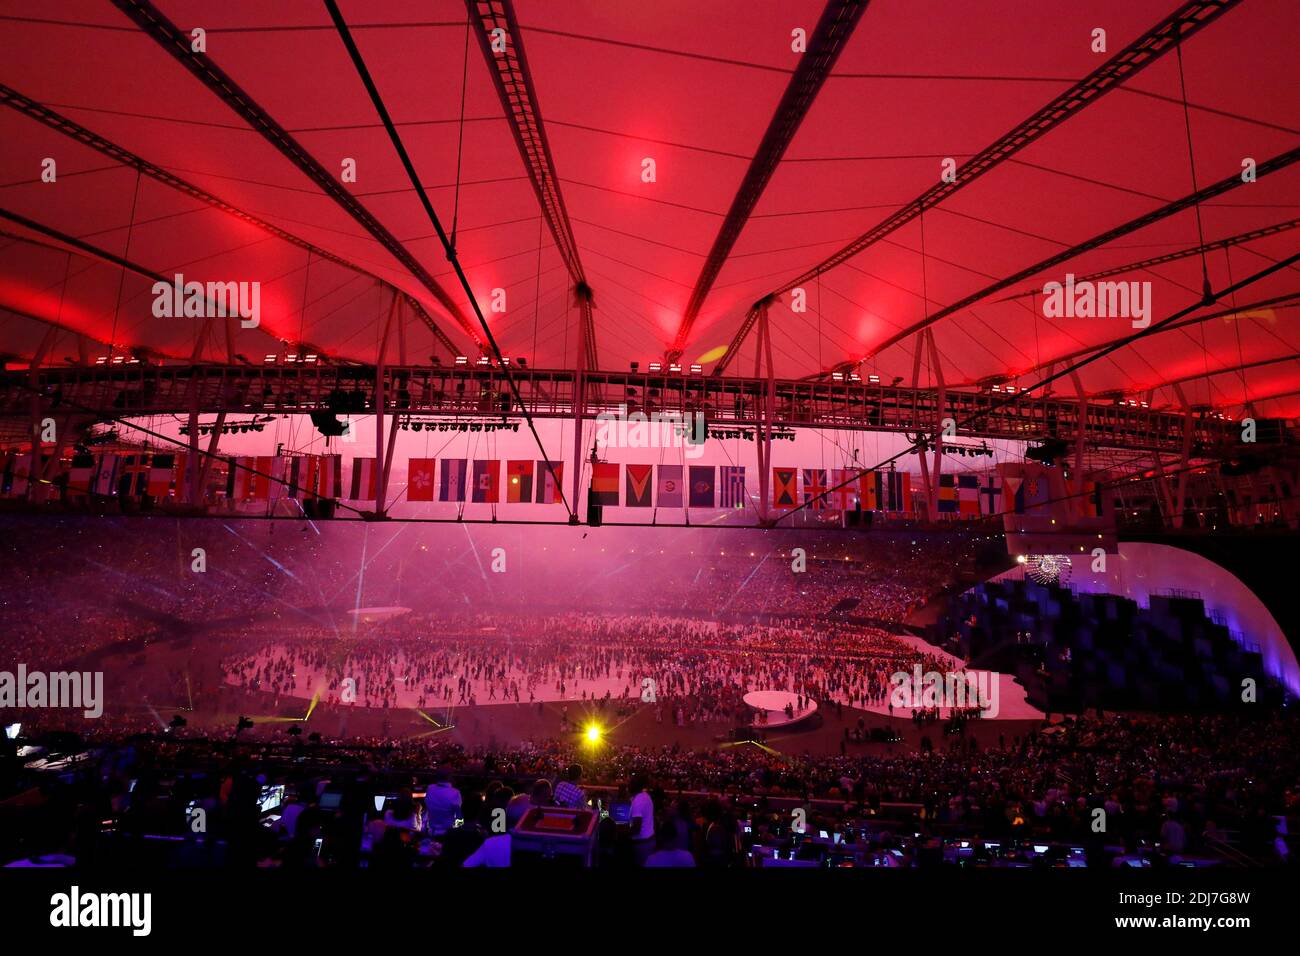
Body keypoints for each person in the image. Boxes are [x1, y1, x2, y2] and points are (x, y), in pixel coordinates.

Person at [628, 774, 655, 866]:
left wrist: (620, 833)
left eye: (630, 783)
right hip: (648, 841)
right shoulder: (645, 796)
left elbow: (636, 828)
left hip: (642, 845)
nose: (628, 785)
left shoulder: (638, 800)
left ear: (635, 786)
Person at [424, 770, 462, 836]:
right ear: (450, 778)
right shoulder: (455, 792)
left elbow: (427, 806)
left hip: (432, 830)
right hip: (448, 831)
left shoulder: (430, 788)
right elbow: (458, 814)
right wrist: (459, 830)